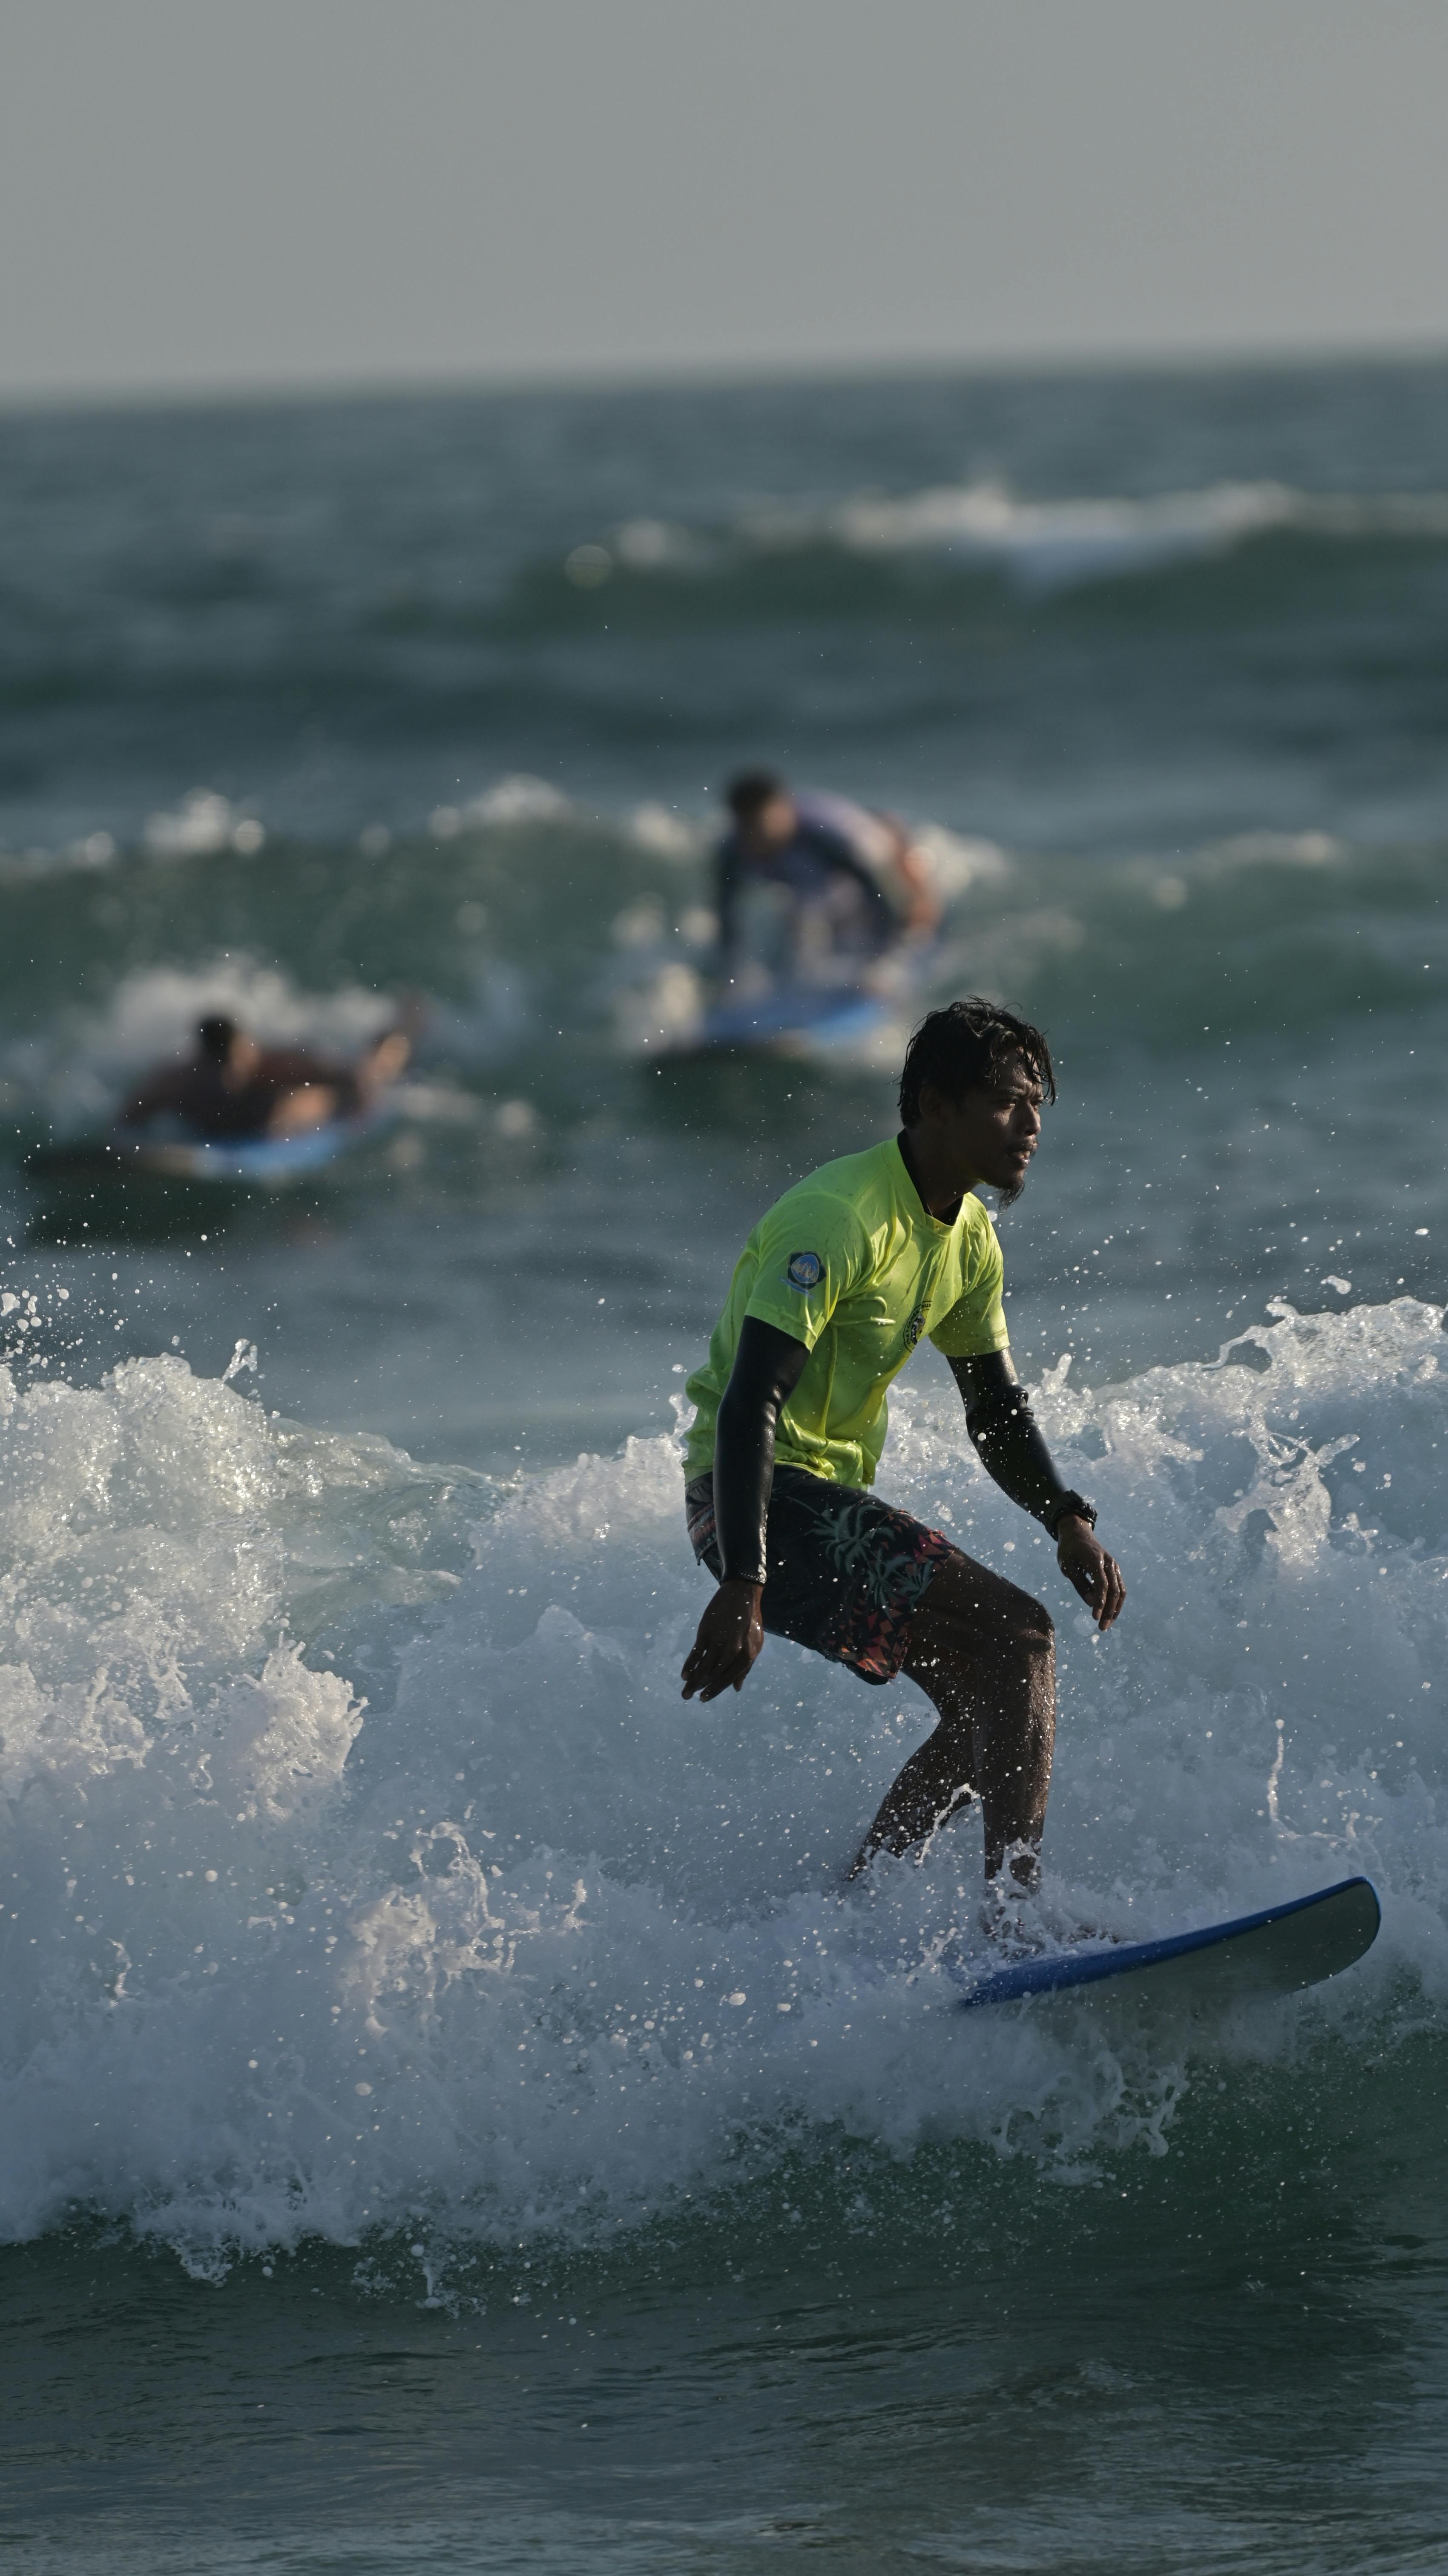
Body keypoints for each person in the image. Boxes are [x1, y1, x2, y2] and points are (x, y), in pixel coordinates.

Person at [679, 995, 1126, 1904]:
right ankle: (1014, 1919)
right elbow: (747, 1403)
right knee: (1020, 1637)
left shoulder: (967, 1240)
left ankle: (859, 1912)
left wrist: (1063, 1516)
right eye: (1006, 1102)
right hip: (760, 1496)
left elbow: (994, 1409)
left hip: (813, 1506)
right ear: (933, 1104)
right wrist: (742, 1580)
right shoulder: (838, 1219)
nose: (1030, 1126)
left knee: (986, 1710)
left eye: (1036, 1103)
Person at [713, 770, 939, 986]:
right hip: (820, 882)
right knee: (803, 932)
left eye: (762, 826)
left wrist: (886, 960)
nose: (756, 838)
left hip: (888, 847)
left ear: (783, 811)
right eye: (747, 828)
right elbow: (727, 914)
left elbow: (881, 890)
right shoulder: (734, 849)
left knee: (912, 916)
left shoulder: (826, 835)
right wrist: (728, 971)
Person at [119, 1012, 412, 1143]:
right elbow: (130, 1116)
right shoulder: (180, 1078)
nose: (227, 1074)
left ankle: (399, 1034)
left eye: (233, 1062)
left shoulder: (274, 1066)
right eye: (218, 1064)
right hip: (231, 1130)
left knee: (372, 1066)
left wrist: (358, 1117)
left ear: (245, 1052)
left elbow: (353, 1077)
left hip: (299, 1117)